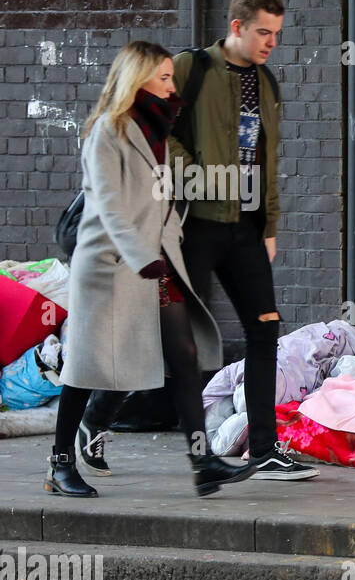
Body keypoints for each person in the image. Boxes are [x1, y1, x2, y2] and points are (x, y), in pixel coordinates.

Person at [77, 0, 318, 481]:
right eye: (262, 32)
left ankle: (264, 449)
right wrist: (198, 173)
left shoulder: (267, 82)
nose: (271, 42)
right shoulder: (193, 68)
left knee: (264, 328)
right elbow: (159, 133)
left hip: (245, 228)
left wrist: (268, 224)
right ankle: (95, 418)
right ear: (237, 27)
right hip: (190, 226)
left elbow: (266, 160)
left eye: (277, 33)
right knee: (160, 332)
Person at [48, 41, 255, 498]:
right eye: (162, 76)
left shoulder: (156, 129)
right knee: (88, 368)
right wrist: (143, 257)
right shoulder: (109, 129)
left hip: (157, 265)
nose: (170, 84)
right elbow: (109, 206)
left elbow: (161, 199)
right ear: (136, 78)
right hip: (109, 267)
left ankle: (203, 462)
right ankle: (60, 463)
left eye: (171, 77)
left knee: (184, 357)